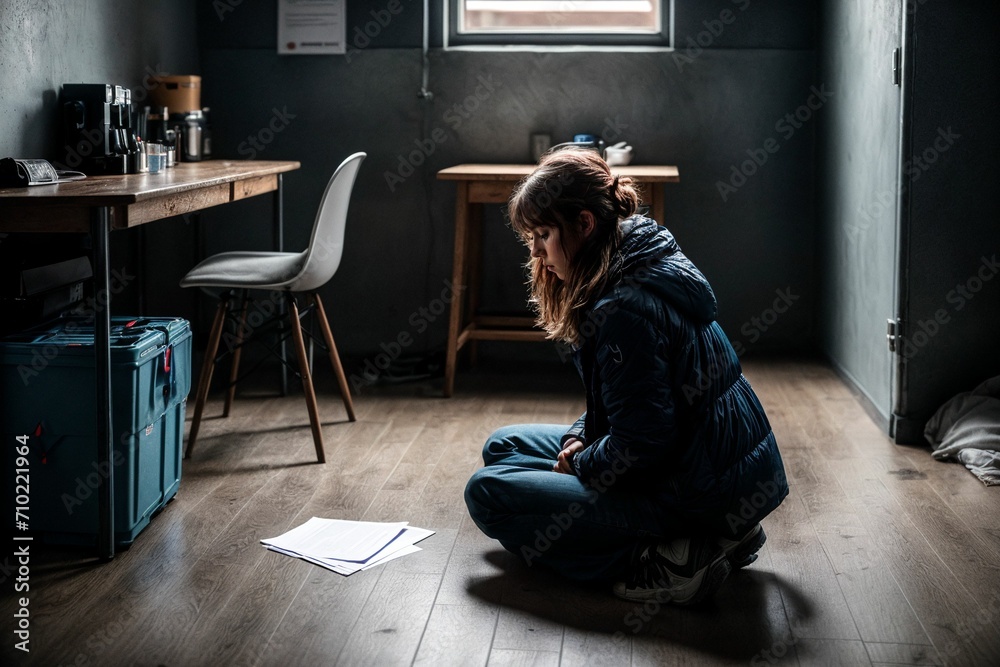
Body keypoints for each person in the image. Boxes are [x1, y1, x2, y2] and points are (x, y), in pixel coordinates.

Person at [463, 147, 788, 605]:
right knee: (504, 446)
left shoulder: (622, 309)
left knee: (488, 493)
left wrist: (582, 462)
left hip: (692, 490)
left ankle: (670, 559)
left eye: (543, 234)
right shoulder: (636, 254)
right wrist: (582, 437)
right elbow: (628, 402)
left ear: (584, 224)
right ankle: (723, 538)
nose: (535, 251)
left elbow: (644, 443)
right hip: (710, 472)